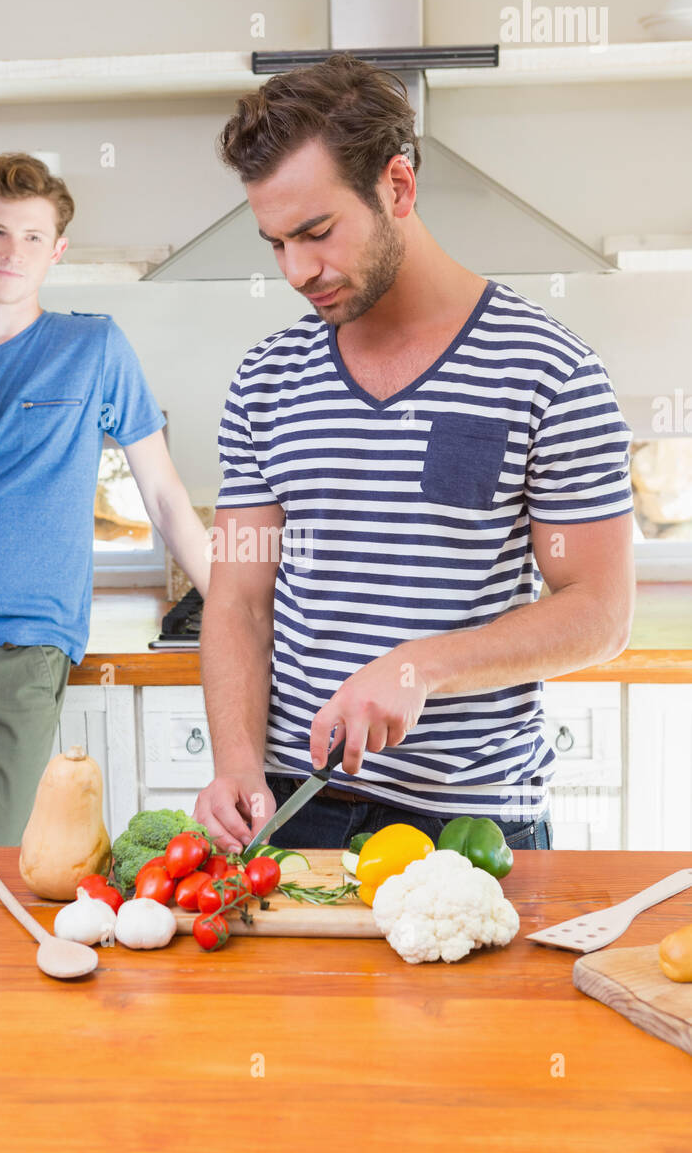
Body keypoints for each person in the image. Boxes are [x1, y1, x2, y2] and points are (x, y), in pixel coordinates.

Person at [192, 53, 635, 856]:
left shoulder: (549, 369)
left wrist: (420, 667)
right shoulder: (267, 380)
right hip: (296, 809)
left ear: (398, 186)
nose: (297, 271)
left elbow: (600, 611)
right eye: (276, 243)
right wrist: (235, 764)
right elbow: (239, 600)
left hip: (470, 823)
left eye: (317, 233)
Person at [0, 152, 210, 846]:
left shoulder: (92, 346)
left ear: (57, 251)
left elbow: (167, 498)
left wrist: (237, 612)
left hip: (22, 649)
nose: (11, 252)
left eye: (31, 237)